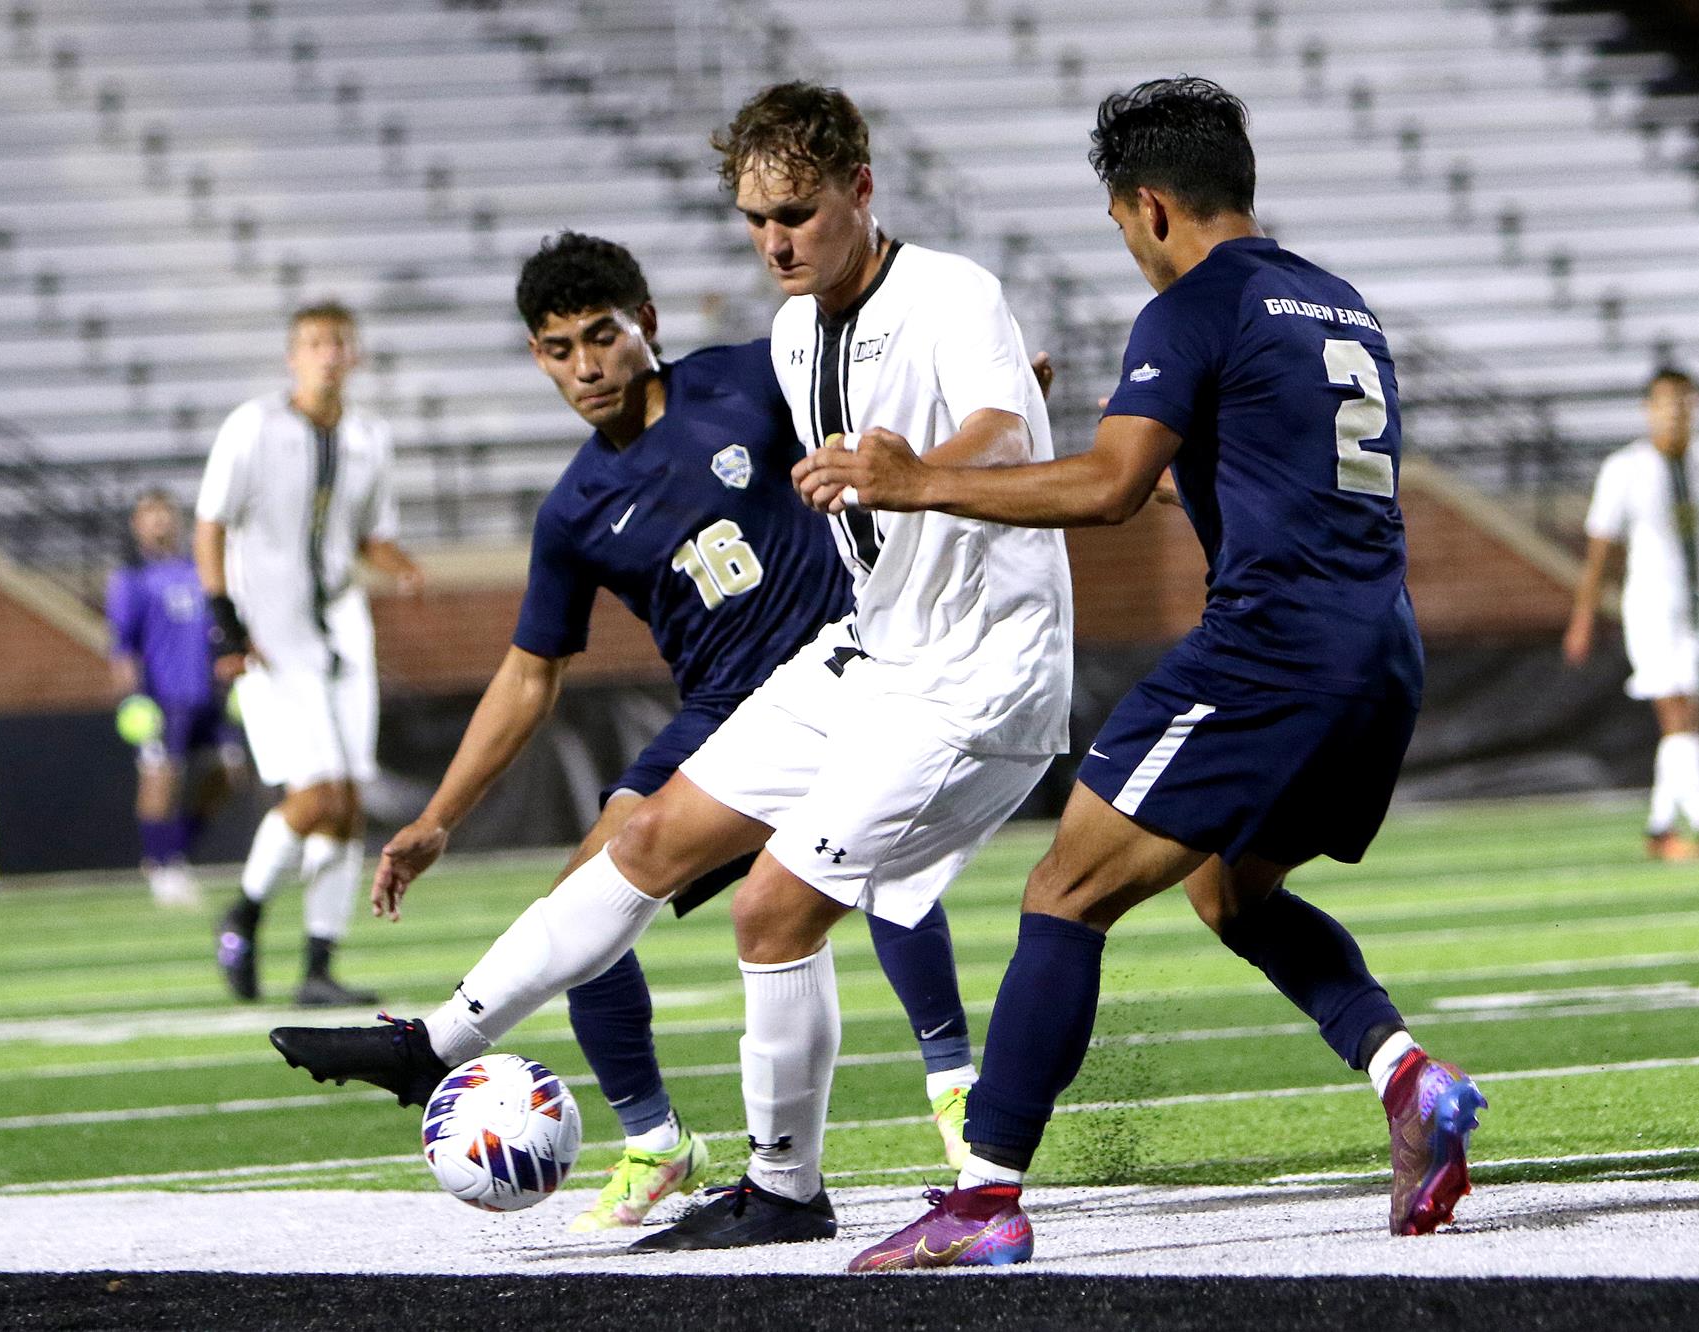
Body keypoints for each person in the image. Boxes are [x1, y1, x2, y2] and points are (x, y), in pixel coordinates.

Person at [270, 82, 1073, 1251]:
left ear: (859, 188)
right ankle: (441, 1050)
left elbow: (995, 430)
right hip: (861, 654)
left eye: (794, 213)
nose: (773, 242)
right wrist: (438, 817)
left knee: (779, 904)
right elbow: (530, 671)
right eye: (755, 221)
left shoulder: (947, 294)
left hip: (973, 668)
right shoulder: (785, 342)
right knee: (632, 846)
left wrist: (935, 463)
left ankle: (819, 1169)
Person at [808, 78, 1484, 1270]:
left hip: (1265, 653)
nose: (1126, 243)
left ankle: (984, 1197)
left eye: (1120, 221)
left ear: (1153, 206)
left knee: (1062, 892)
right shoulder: (1335, 301)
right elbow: (1262, 473)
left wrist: (913, 482)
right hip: (1380, 654)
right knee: (1230, 895)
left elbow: (1108, 489)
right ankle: (1405, 1076)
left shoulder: (1188, 308)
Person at [195, 300, 423, 1006]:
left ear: (355, 356)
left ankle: (318, 968)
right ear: (292, 356)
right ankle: (243, 913)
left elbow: (366, 535)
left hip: (341, 632)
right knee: (316, 796)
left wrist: (400, 566)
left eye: (339, 343)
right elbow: (210, 524)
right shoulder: (254, 426)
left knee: (348, 804)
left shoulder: (368, 437)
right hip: (270, 637)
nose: (328, 354)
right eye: (315, 343)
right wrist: (224, 623)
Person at [1564, 369, 1699, 859]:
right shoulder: (1625, 469)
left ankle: (1659, 830)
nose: (1674, 412)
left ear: (1695, 406)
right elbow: (1601, 553)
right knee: (1677, 709)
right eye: (1665, 402)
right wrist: (1583, 617)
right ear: (1648, 409)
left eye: (1683, 402)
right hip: (1653, 602)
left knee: (1692, 720)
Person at [105, 488, 246, 907]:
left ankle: (176, 849)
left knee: (228, 773)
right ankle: (161, 863)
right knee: (160, 775)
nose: (159, 522)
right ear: (137, 525)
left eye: (164, 513)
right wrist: (132, 698)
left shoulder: (199, 570)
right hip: (162, 696)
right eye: (149, 515)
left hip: (209, 693)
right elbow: (122, 647)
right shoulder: (132, 579)